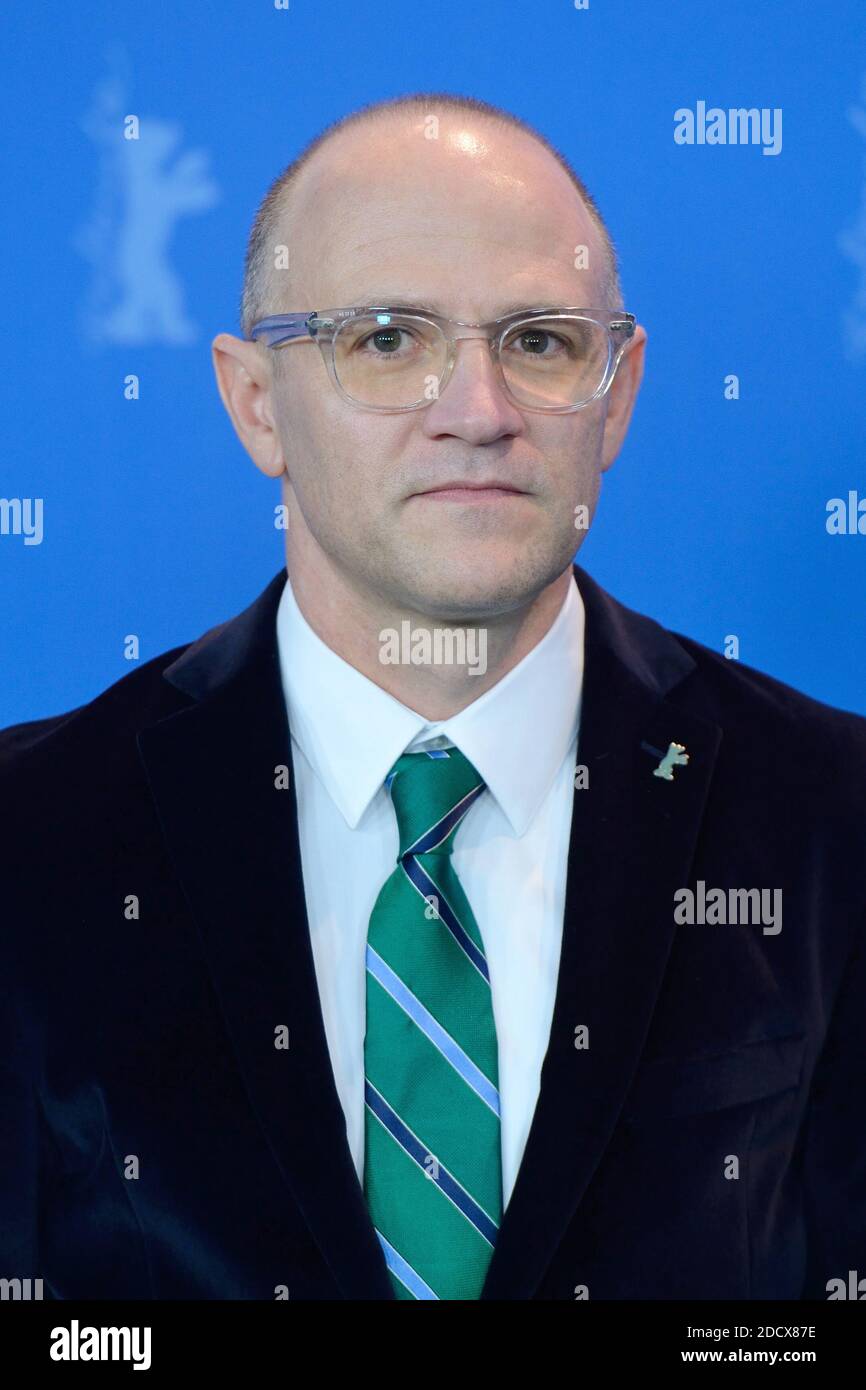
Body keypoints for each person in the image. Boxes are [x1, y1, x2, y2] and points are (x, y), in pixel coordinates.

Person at [1, 92, 864, 1302]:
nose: (478, 412)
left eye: (540, 341)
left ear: (615, 397)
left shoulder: (833, 814)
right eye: (388, 339)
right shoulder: (30, 833)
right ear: (256, 403)